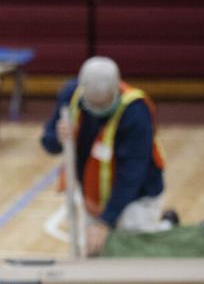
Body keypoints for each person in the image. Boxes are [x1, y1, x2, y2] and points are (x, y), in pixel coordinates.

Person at [41, 56, 171, 255]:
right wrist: (57, 137)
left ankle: (167, 226)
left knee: (133, 254)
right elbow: (49, 144)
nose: (97, 111)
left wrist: (104, 222)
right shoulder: (71, 96)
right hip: (94, 193)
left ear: (116, 89)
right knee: (96, 253)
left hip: (137, 194)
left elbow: (131, 175)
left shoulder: (136, 111)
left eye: (103, 105)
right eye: (93, 104)